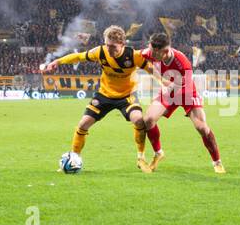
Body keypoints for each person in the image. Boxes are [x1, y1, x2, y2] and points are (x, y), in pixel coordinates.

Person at [39, 25, 159, 171]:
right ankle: (74, 158)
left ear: (122, 44)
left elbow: (152, 70)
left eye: (113, 47)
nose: (109, 49)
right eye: (107, 45)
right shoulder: (100, 52)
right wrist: (57, 62)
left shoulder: (134, 56)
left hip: (127, 96)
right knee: (83, 125)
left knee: (139, 120)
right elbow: (79, 56)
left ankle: (141, 157)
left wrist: (165, 82)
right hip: (104, 95)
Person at [139, 32, 224, 174]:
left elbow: (184, 85)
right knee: (148, 119)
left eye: (155, 53)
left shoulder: (182, 62)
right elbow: (133, 54)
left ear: (165, 51)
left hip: (186, 91)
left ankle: (217, 162)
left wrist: (168, 89)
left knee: (201, 127)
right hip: (168, 89)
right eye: (151, 50)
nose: (151, 55)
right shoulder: (151, 52)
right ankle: (158, 153)